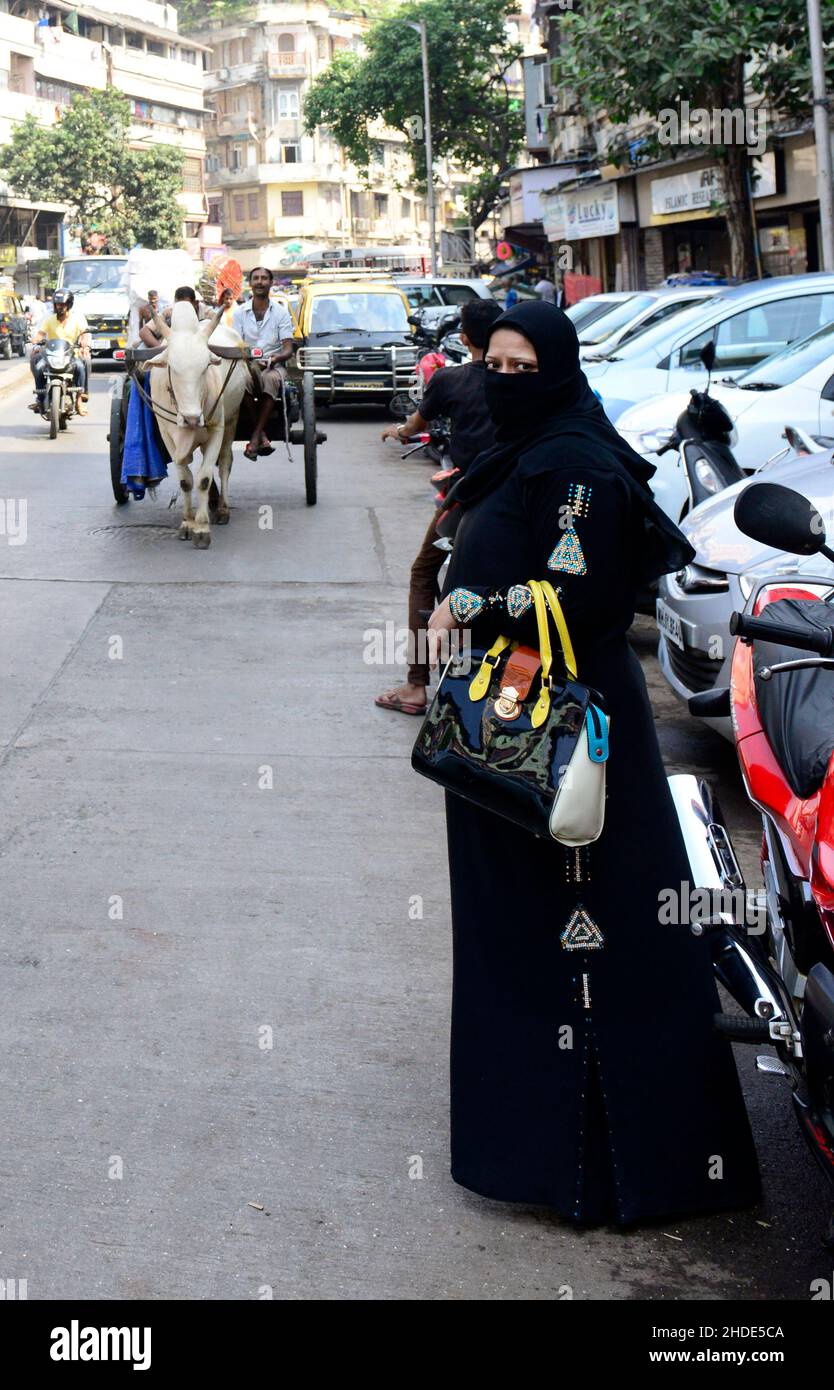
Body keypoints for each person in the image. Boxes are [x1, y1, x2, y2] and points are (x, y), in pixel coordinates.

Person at [424, 301, 761, 1225]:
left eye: (522, 366)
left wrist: (475, 603)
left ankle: (608, 1165)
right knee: (524, 935)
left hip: (570, 737)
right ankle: (538, 1152)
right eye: (492, 362)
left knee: (584, 931)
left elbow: (574, 594)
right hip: (522, 721)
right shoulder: (529, 450)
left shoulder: (573, 464)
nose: (502, 378)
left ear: (560, 371)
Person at [375, 297, 502, 716]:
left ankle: (415, 684)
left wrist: (400, 431)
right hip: (514, 494)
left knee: (423, 571)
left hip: (466, 494)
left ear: (464, 338)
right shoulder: (522, 383)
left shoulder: (449, 381)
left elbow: (416, 426)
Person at [227, 266, 295, 461]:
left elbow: (288, 348)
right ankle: (261, 434)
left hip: (274, 366)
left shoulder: (281, 312)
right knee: (241, 382)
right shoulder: (240, 313)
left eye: (264, 278)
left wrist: (275, 359)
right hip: (247, 366)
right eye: (256, 278)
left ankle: (255, 436)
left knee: (270, 380)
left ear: (270, 283)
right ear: (250, 284)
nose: (259, 282)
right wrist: (249, 361)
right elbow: (237, 345)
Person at [29, 289, 90, 416]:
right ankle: (40, 399)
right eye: (58, 305)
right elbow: (40, 334)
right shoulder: (50, 320)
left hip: (71, 354)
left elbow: (84, 334)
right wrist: (35, 341)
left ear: (69, 305)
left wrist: (85, 345)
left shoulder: (77, 319)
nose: (60, 307)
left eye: (63, 304)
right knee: (39, 366)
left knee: (81, 366)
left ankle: (79, 399)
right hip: (51, 355)